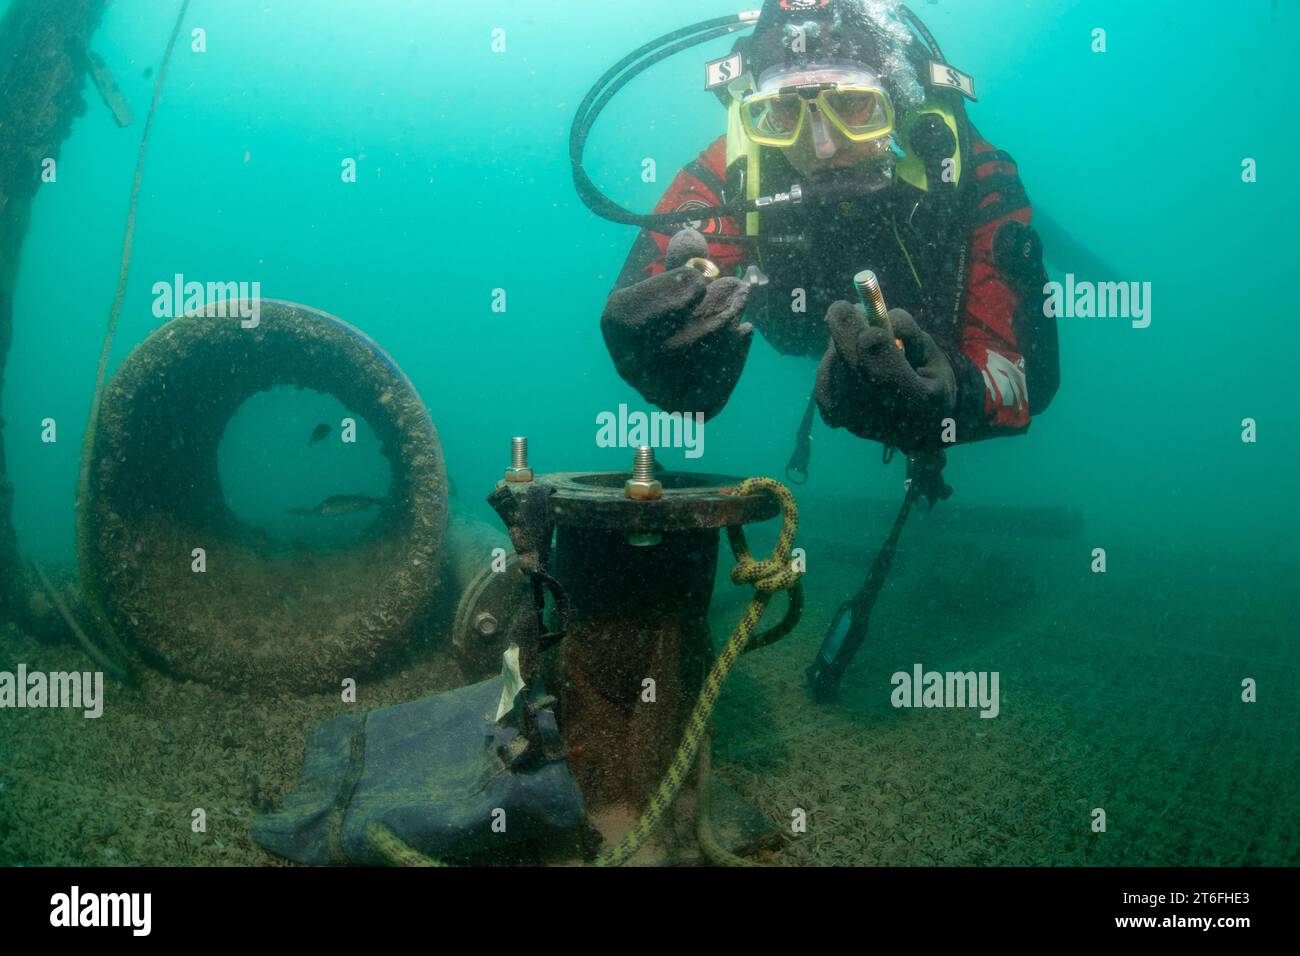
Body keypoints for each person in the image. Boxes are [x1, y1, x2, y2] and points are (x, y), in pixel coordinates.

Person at [600, 0, 1059, 458]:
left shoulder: (971, 177)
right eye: (783, 111)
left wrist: (949, 396)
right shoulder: (736, 171)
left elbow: (1023, 377)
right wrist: (657, 355)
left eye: (855, 104)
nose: (821, 145)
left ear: (897, 100)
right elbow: (646, 296)